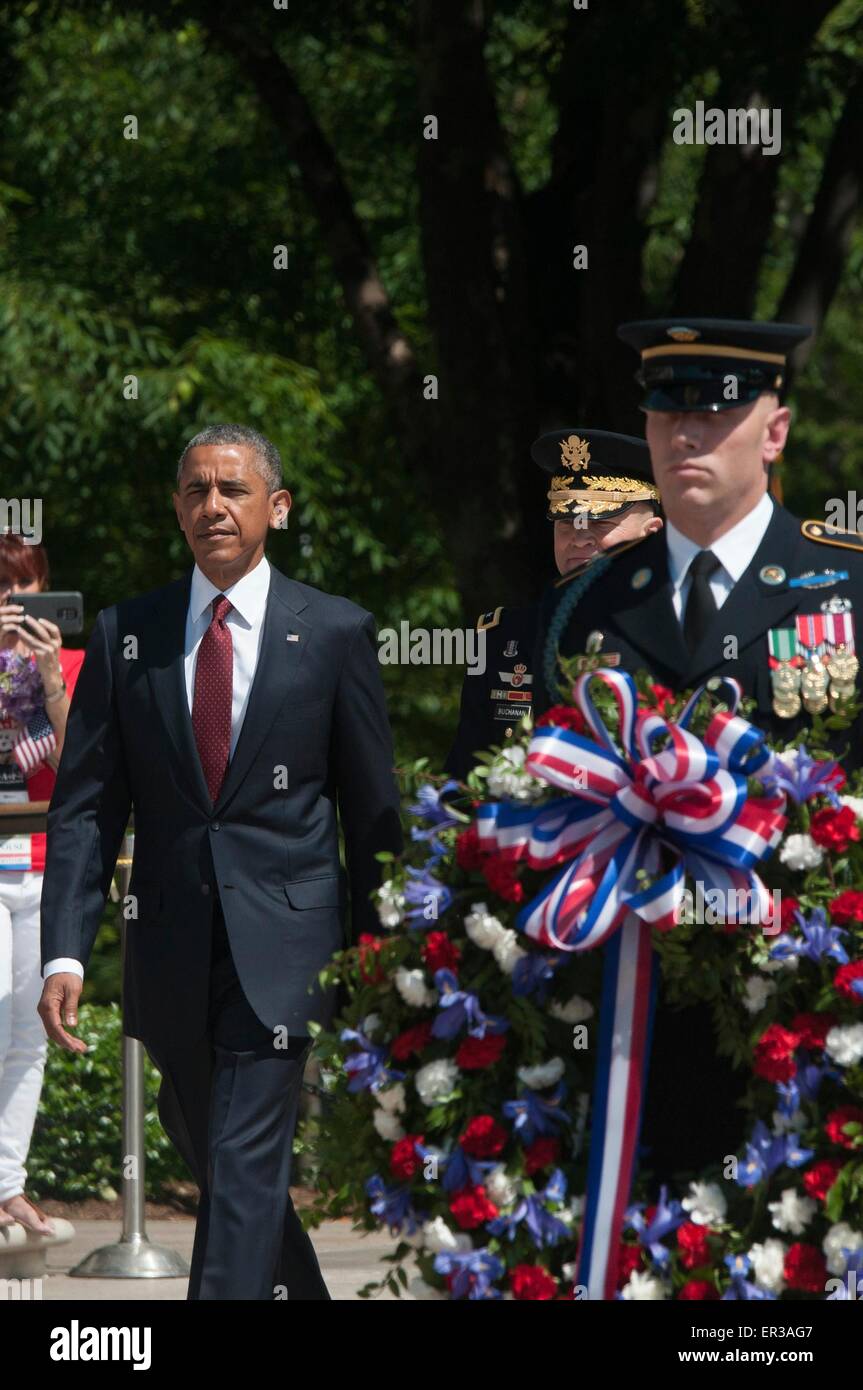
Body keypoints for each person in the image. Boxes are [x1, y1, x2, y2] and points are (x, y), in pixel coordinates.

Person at [37, 424, 403, 1300]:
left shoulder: (336, 633)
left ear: (274, 508)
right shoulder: (132, 634)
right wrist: (66, 950)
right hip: (169, 945)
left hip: (287, 942)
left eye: (233, 490)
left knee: (240, 1151)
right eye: (196, 490)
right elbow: (86, 807)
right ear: (176, 508)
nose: (213, 506)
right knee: (214, 1143)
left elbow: (373, 812)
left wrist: (382, 950)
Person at [532, 317, 863, 1186]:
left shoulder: (849, 586)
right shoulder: (580, 608)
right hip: (620, 1011)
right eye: (664, 408)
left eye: (717, 411)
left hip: (807, 1014)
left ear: (775, 431)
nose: (686, 432)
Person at [444, 430, 662, 779]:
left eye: (600, 521)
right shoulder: (502, 638)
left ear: (652, 535)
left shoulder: (679, 635)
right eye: (565, 523)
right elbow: (466, 777)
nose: (578, 537)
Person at [0, 532, 83, 1236]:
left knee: (29, 1028)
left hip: (42, 854)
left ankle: (8, 1188)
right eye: (2, 591)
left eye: (25, 589)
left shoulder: (69, 663)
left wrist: (49, 676)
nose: (14, 604)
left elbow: (80, 760)